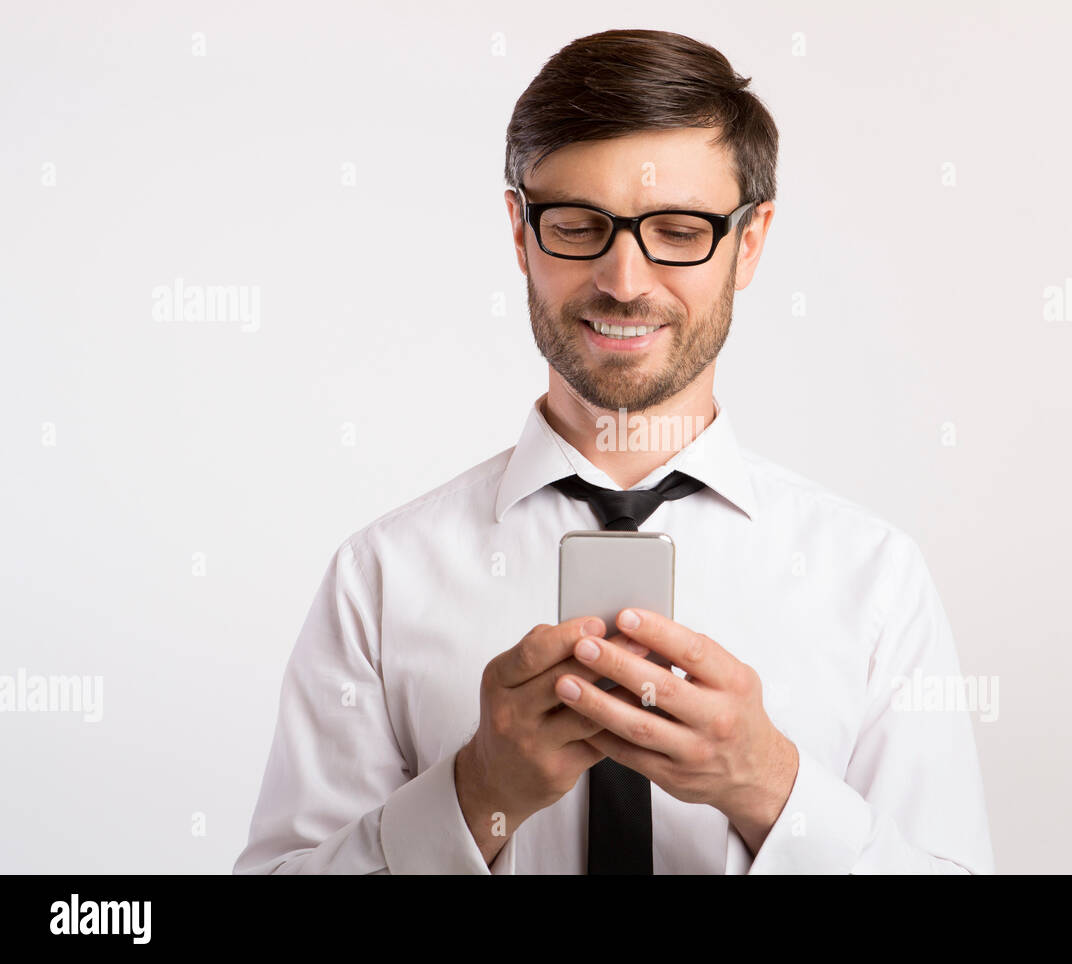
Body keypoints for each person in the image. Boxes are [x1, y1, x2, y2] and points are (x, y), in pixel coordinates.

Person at [234, 28, 995, 875]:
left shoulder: (875, 582)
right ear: (521, 232)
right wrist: (475, 793)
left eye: (677, 229)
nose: (625, 279)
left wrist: (770, 788)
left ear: (749, 243)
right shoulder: (380, 579)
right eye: (578, 225)